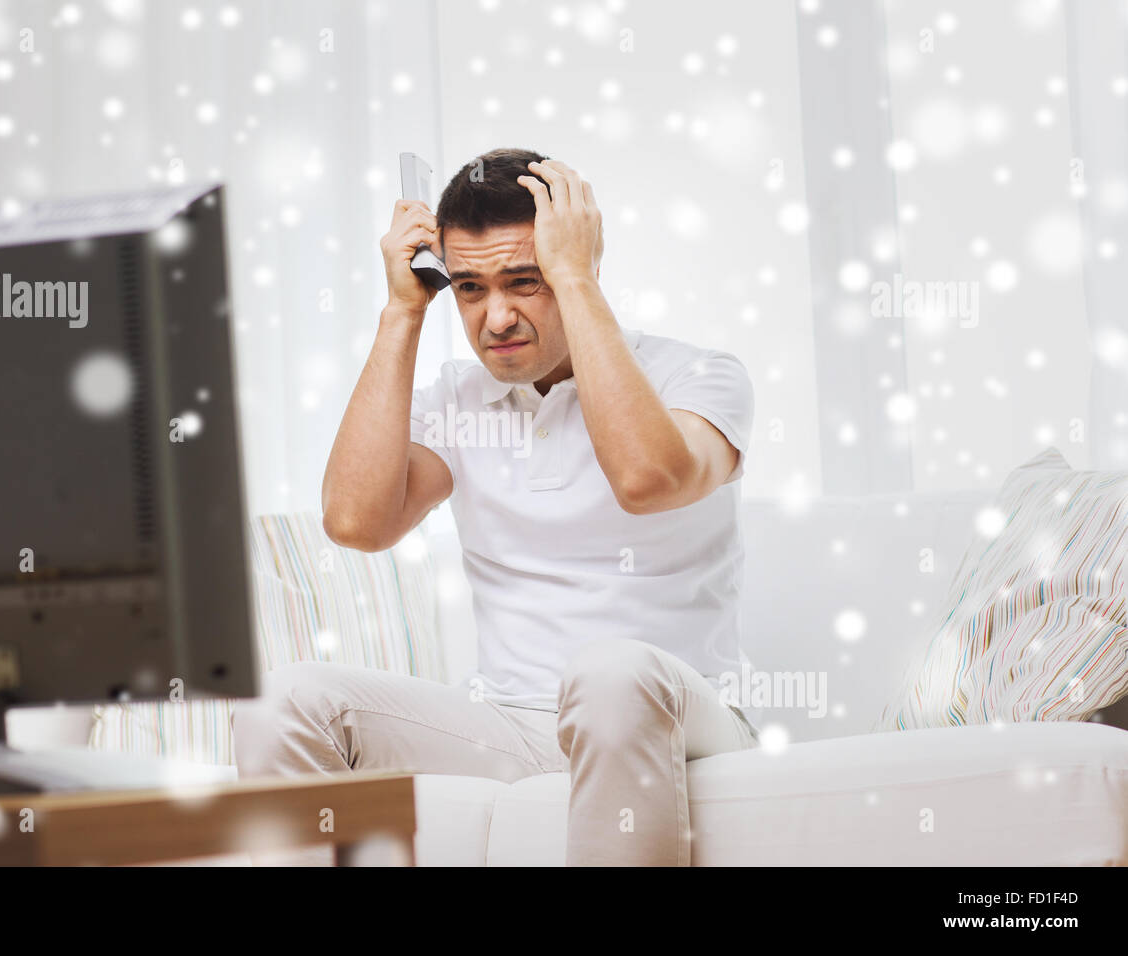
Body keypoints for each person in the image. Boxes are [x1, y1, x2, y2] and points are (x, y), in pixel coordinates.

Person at [234, 147, 761, 866]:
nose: (496, 317)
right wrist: (402, 311)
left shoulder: (698, 375)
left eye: (525, 281)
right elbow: (355, 523)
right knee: (287, 699)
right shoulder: (459, 401)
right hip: (515, 729)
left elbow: (647, 479)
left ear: (581, 264)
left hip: (679, 716)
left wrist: (573, 276)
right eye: (471, 288)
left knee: (608, 674)